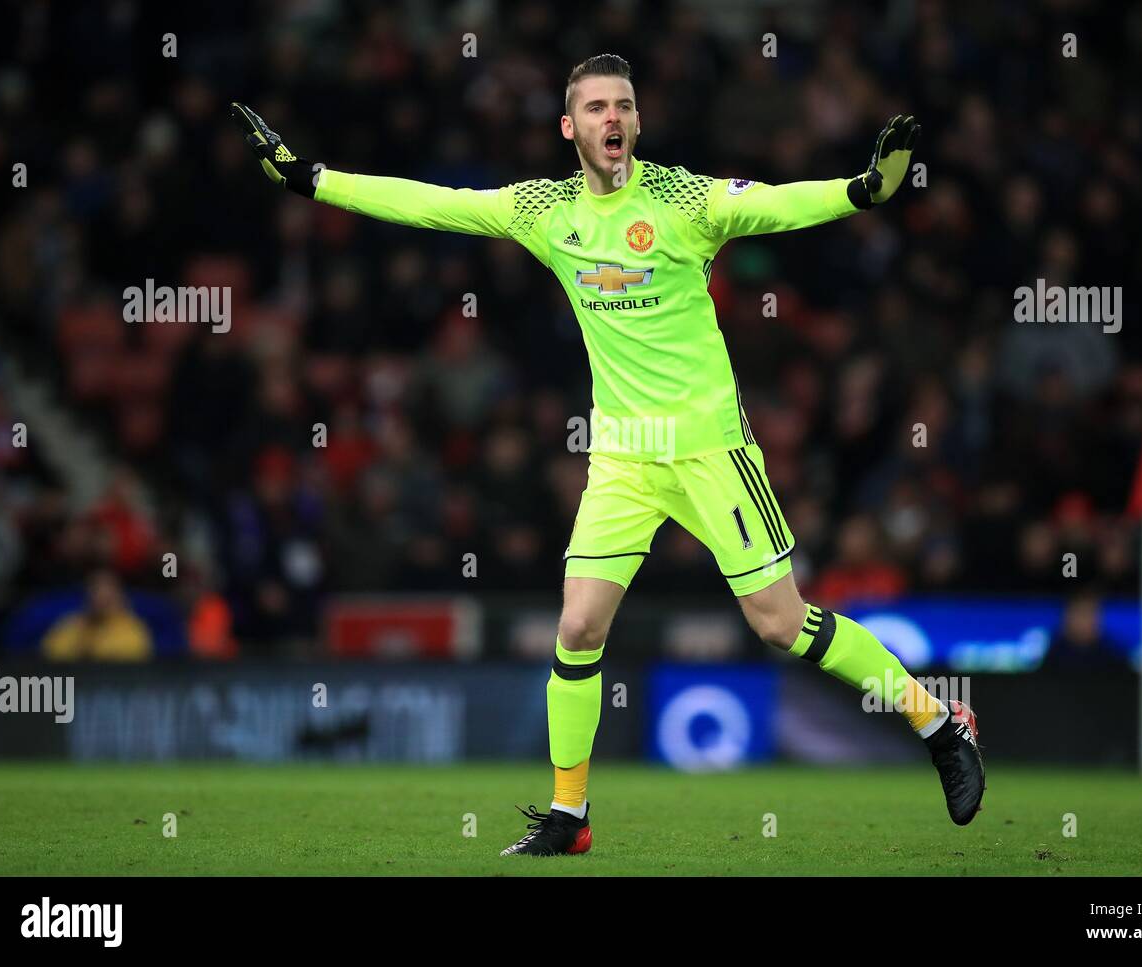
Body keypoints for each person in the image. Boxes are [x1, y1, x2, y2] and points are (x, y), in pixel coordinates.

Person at [231, 53, 984, 855]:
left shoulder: (682, 200)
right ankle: (570, 814)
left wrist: (862, 191)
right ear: (570, 127)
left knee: (778, 621)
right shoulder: (545, 212)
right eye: (595, 108)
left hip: (709, 448)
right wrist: (312, 179)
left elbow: (770, 205)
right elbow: (434, 206)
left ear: (637, 121)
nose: (612, 119)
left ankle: (939, 722)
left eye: (623, 104)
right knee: (579, 624)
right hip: (622, 456)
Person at [42, 569, 152, 662]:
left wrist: (90, 647)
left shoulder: (133, 627)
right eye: (96, 589)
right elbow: (50, 652)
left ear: (119, 596)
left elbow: (133, 652)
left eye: (107, 591)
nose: (100, 596)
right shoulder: (72, 623)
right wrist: (82, 634)